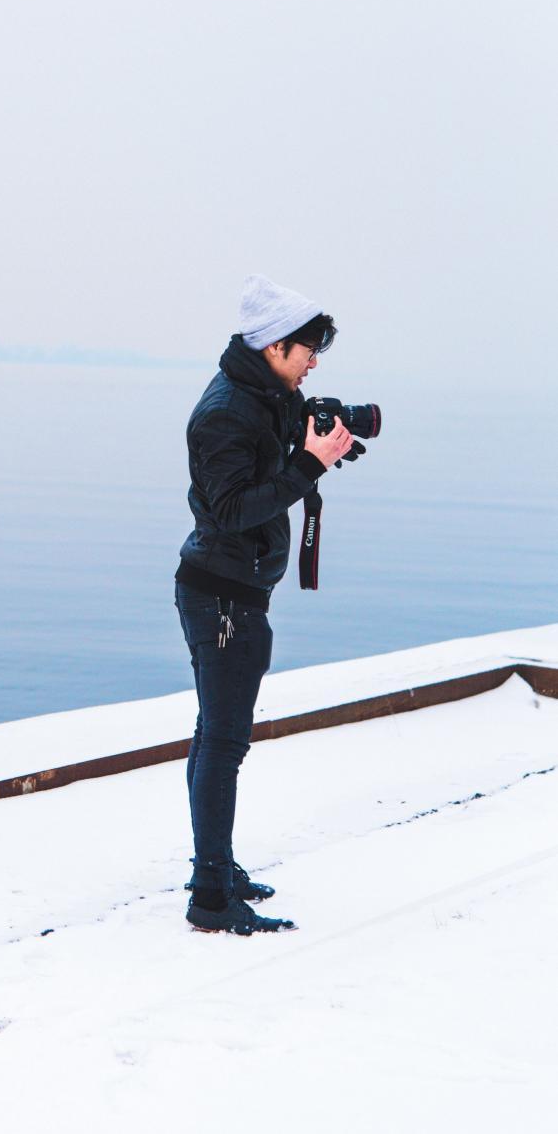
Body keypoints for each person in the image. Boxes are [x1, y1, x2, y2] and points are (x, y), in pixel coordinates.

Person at [175, 273, 356, 934]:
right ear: (275, 345)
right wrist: (308, 465)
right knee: (223, 743)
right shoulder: (227, 410)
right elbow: (229, 512)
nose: (313, 362)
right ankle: (212, 898)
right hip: (222, 598)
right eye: (308, 349)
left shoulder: (265, 395)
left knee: (213, 737)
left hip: (234, 590)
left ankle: (215, 867)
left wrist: (317, 439)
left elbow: (267, 471)